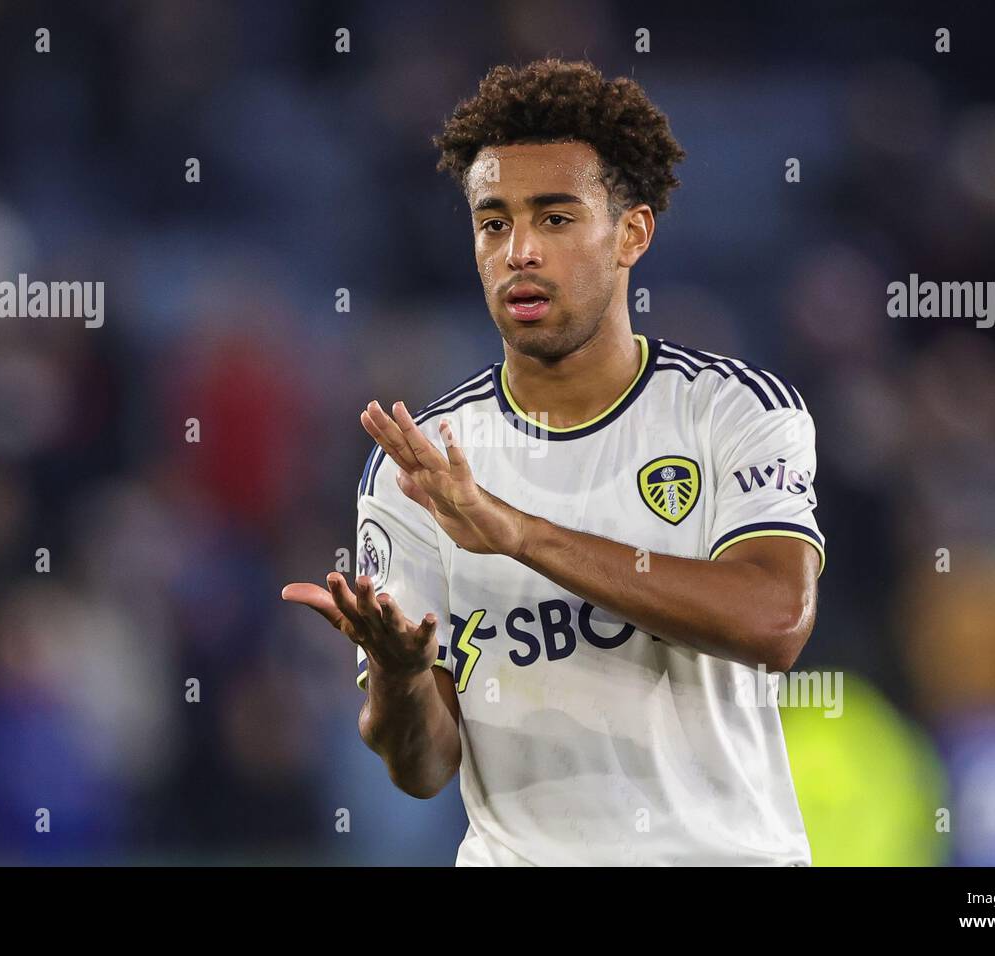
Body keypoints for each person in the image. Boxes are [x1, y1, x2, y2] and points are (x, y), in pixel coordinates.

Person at [283, 58, 824, 865]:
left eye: (557, 218)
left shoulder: (731, 411)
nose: (520, 251)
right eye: (494, 222)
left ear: (632, 233)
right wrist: (398, 677)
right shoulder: (420, 465)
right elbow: (424, 769)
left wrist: (518, 535)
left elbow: (775, 620)